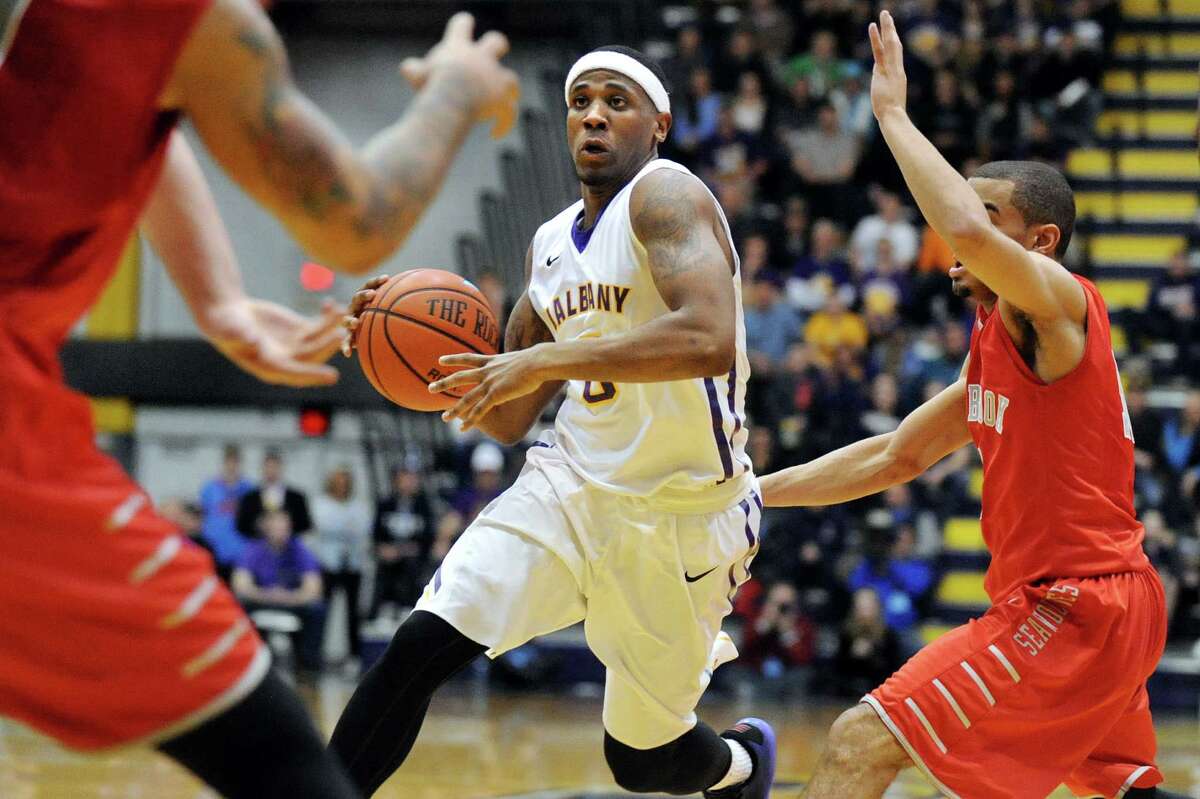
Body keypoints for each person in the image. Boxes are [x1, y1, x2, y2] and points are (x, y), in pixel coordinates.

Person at [0, 0, 518, 794]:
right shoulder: (194, 21)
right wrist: (457, 88)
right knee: (279, 760)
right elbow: (357, 222)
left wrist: (220, 302)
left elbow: (136, 112)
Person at [333, 45, 775, 799]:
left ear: (659, 122)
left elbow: (707, 337)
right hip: (567, 488)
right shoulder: (547, 245)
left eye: (616, 100)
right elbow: (506, 417)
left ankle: (739, 765)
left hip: (683, 514)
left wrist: (541, 362)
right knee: (419, 644)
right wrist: (400, 350)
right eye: (580, 101)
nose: (593, 114)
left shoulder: (666, 197)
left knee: (642, 763)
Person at [759, 12, 1180, 799]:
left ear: (1040, 242)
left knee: (861, 737)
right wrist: (752, 492)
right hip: (1109, 598)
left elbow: (955, 222)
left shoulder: (1060, 305)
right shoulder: (995, 338)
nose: (959, 239)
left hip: (1074, 603)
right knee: (1128, 792)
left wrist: (891, 115)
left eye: (989, 221)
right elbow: (896, 455)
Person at [233, 510, 326, 675]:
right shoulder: (253, 549)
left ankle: (308, 663)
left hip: (292, 602)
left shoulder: (300, 550)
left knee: (317, 609)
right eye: (276, 528)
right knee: (238, 606)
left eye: (284, 528)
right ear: (265, 529)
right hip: (261, 600)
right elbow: (240, 585)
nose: (280, 533)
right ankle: (246, 661)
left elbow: (314, 589)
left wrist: (288, 597)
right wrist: (268, 595)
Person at [312, 466, 372, 670]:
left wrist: (342, 527)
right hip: (328, 564)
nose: (341, 486)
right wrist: (346, 526)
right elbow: (324, 525)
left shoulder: (358, 505)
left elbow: (362, 528)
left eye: (344, 481)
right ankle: (316, 652)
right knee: (323, 610)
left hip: (353, 564)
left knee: (353, 612)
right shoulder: (322, 503)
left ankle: (354, 656)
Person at [371, 459, 438, 617]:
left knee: (411, 568)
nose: (408, 482)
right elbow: (376, 534)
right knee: (386, 567)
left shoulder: (424, 506)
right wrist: (383, 548)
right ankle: (382, 610)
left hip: (414, 560)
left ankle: (410, 606)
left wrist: (404, 550)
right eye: (404, 477)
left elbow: (428, 538)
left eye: (412, 478)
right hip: (389, 560)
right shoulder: (385, 504)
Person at [199, 444, 255, 580]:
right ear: (224, 463)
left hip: (241, 553)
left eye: (235, 462)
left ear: (240, 463)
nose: (232, 466)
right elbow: (202, 516)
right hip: (214, 551)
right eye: (229, 462)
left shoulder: (249, 489)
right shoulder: (209, 488)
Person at [236, 449, 313, 540]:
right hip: (259, 548)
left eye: (274, 467)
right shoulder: (250, 498)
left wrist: (284, 527)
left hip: (289, 549)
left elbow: (306, 524)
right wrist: (259, 525)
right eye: (268, 467)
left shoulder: (296, 497)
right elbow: (241, 525)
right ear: (262, 469)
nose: (271, 471)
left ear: (281, 468)